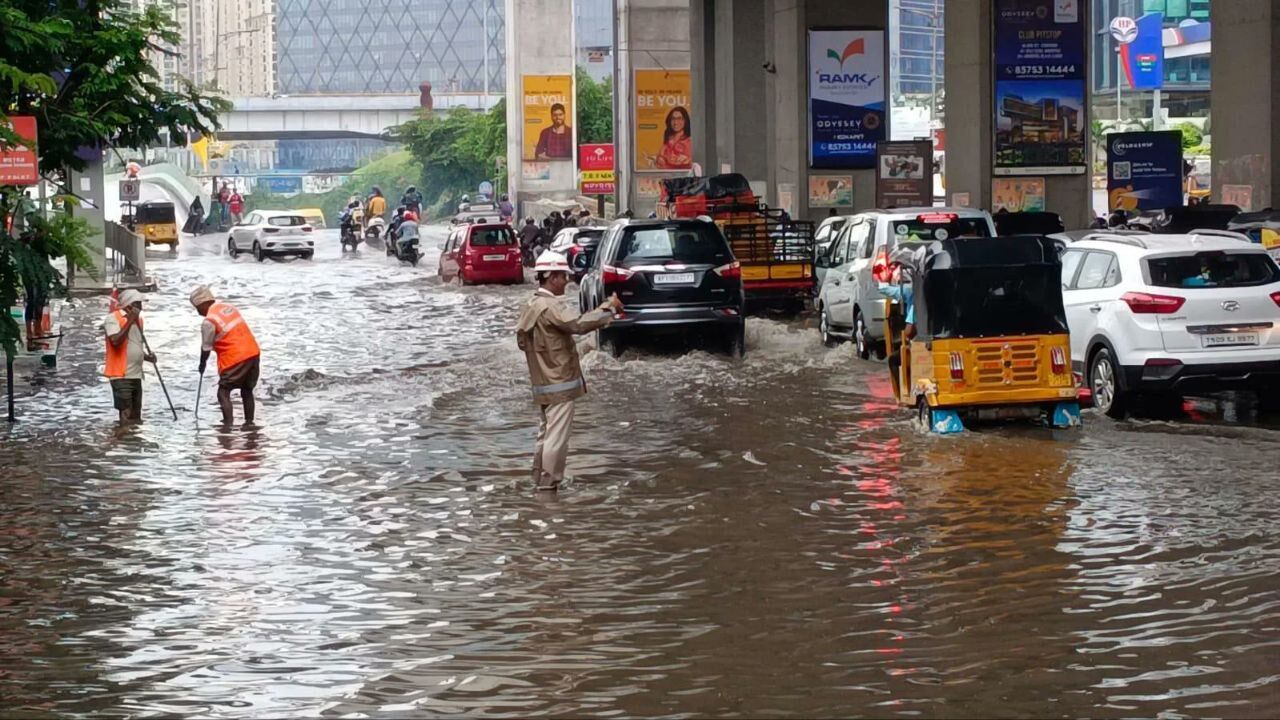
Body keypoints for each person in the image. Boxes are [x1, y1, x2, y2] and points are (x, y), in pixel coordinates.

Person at [515, 252, 623, 491]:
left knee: (546, 434)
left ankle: (539, 479)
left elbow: (523, 342)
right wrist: (609, 309)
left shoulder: (531, 304)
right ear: (551, 277)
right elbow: (579, 324)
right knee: (556, 437)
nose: (566, 281)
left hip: (542, 382)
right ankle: (549, 484)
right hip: (559, 382)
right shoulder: (551, 306)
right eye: (563, 276)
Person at [190, 286, 261, 427]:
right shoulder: (228, 308)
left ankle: (228, 424)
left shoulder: (209, 321)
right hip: (253, 353)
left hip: (235, 358)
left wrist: (202, 364)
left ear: (203, 304)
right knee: (247, 390)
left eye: (197, 308)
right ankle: (249, 423)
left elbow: (206, 348)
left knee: (223, 391)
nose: (198, 312)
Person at [102, 289, 155, 423]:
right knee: (126, 412)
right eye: (138, 304)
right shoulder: (112, 318)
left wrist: (148, 357)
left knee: (136, 415)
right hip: (121, 375)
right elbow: (115, 341)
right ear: (129, 305)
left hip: (136, 374)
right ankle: (122, 438)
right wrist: (130, 321)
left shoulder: (139, 321)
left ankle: (133, 441)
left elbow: (133, 346)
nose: (141, 307)